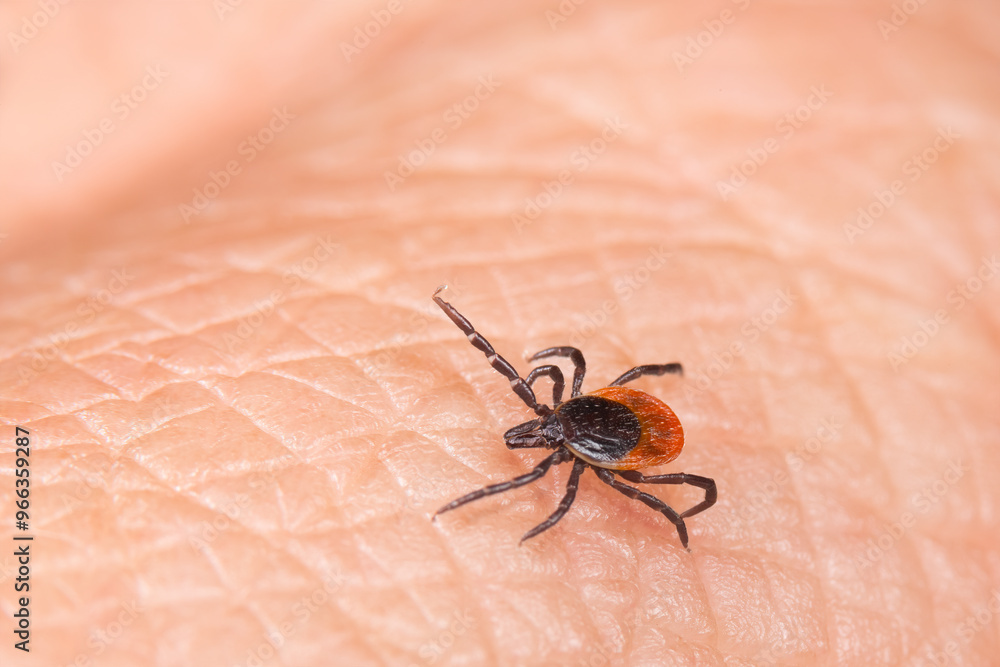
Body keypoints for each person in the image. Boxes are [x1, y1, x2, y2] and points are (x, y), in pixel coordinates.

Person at [2, 2, 997, 665]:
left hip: (632, 417)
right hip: (632, 410)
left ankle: (683, 520)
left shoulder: (571, 455)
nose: (537, 432)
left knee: (640, 490)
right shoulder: (569, 409)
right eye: (546, 422)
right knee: (615, 439)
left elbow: (571, 483)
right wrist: (474, 334)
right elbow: (561, 385)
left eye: (543, 432)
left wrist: (616, 505)